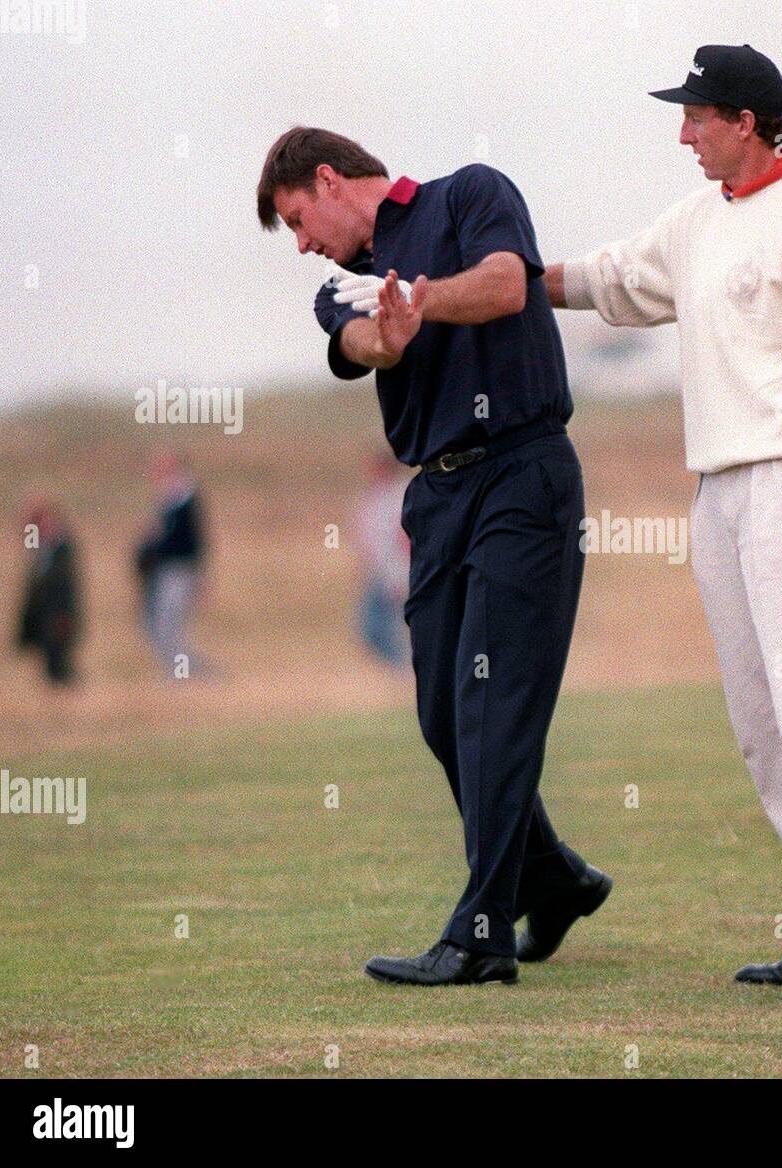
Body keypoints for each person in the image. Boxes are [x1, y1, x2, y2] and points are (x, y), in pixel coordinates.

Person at [545, 44, 782, 1007]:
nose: (683, 132)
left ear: (745, 122)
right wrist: (492, 283)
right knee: (760, 721)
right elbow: (608, 280)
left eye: (697, 116)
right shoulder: (695, 223)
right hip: (717, 491)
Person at [257, 126, 610, 988]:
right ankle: (553, 879)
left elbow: (502, 285)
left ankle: (482, 933)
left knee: (490, 705)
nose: (303, 245)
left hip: (523, 475)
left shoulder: (471, 192)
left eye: (300, 220)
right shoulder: (338, 285)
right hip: (439, 498)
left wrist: (420, 296)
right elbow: (361, 346)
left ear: (332, 179)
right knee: (443, 717)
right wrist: (390, 327)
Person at [135, 449, 206, 677]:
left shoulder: (185, 499)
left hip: (179, 571)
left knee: (168, 627)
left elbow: (191, 541)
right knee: (158, 626)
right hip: (164, 572)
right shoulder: (168, 500)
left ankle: (188, 676)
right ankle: (187, 674)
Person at [16, 498, 82, 686]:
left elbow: (66, 585)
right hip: (44, 612)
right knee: (50, 660)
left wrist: (65, 614)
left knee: (59, 660)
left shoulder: (62, 548)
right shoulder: (42, 549)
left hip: (59, 611)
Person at [353, 451, 409, 665]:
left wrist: (403, 573)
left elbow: (403, 540)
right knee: (372, 628)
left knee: (391, 625)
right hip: (378, 575)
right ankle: (400, 670)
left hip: (399, 573)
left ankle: (404, 671)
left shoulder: (400, 495)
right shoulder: (370, 499)